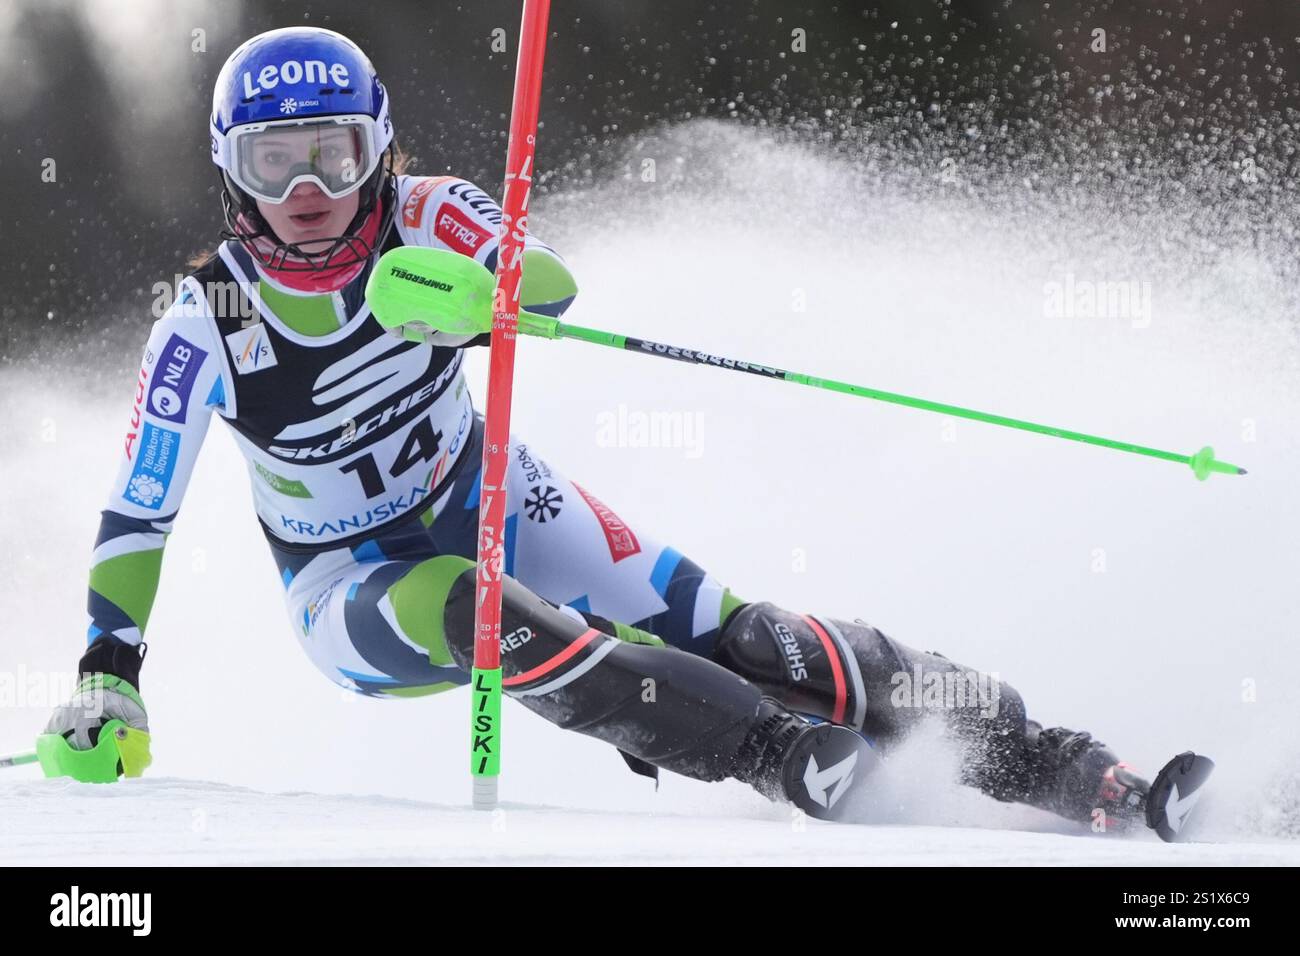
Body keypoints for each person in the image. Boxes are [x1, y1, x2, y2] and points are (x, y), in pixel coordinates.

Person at [43, 26, 1150, 826]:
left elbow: (546, 280)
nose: (306, 190)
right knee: (472, 607)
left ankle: (1051, 758)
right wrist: (109, 673)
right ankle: (768, 753)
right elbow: (140, 514)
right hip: (346, 582)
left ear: (376, 148)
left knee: (750, 638)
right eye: (270, 162)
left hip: (490, 493)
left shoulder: (428, 212)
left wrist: (493, 294)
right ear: (230, 175)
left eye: (330, 153)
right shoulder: (206, 325)